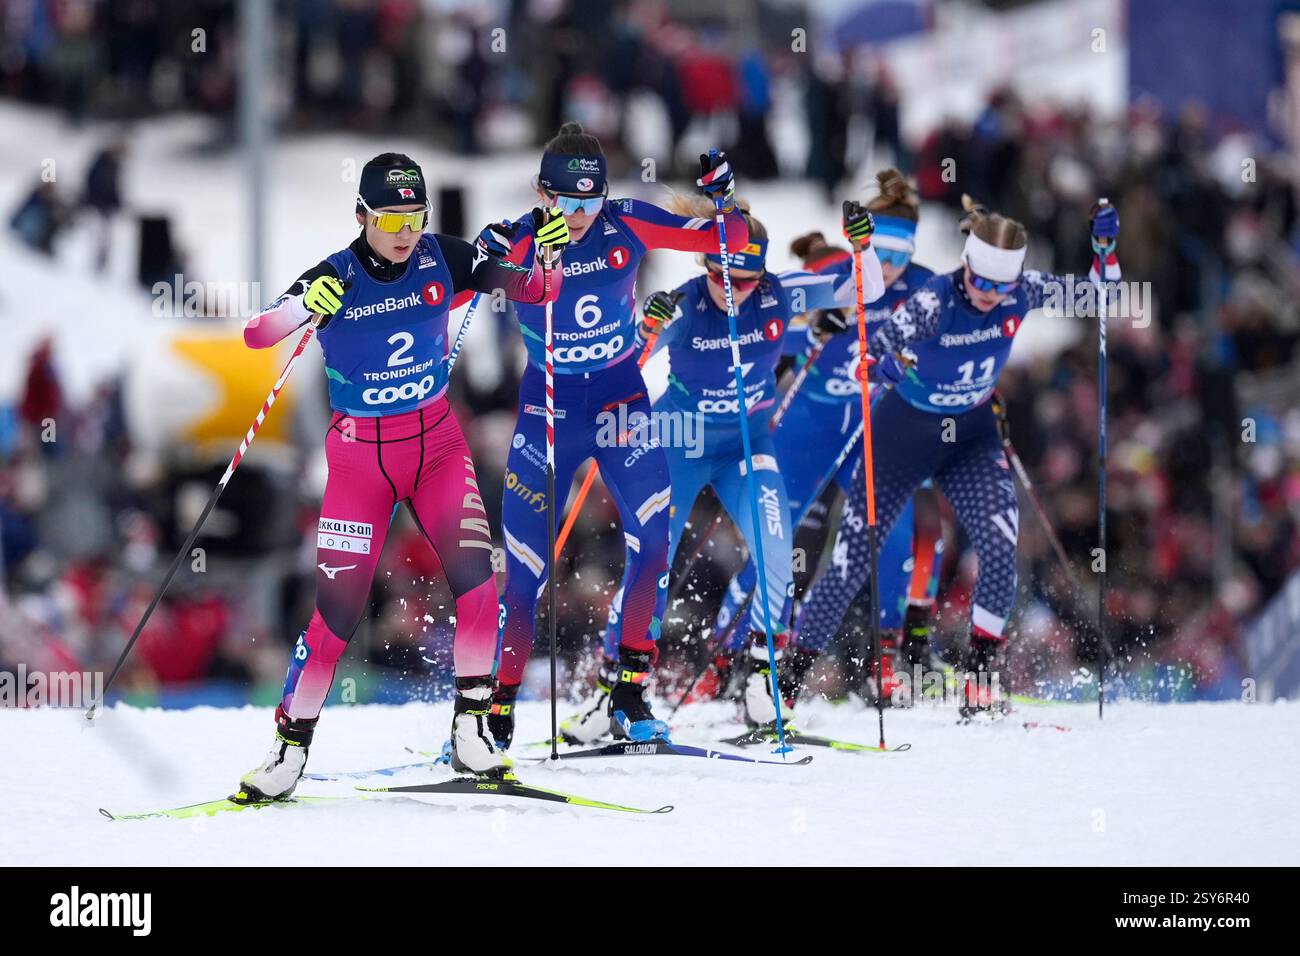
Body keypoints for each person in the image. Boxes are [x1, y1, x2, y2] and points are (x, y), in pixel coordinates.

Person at [234, 153, 569, 800]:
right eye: (389, 217)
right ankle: (288, 749)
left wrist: (548, 253)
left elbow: (537, 291)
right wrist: (304, 305)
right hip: (362, 462)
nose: (404, 230)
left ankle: (471, 733)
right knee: (336, 614)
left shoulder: (444, 257)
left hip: (437, 449)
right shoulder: (336, 275)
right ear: (361, 216)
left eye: (414, 216)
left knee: (478, 585)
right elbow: (256, 334)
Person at [794, 195, 1121, 717]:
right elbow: (877, 343)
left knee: (998, 543)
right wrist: (881, 366)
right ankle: (786, 680)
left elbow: (1103, 297)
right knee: (852, 561)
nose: (989, 294)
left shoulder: (1022, 290)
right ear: (966, 265)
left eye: (1000, 285)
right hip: (904, 435)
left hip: (969, 437)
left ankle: (980, 677)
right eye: (980, 281)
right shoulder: (935, 299)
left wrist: (1104, 250)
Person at [476, 121, 745, 748]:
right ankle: (498, 703)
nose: (576, 214)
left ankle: (627, 690)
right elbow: (476, 278)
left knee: (654, 543)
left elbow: (727, 241)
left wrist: (723, 200)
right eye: (564, 201)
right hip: (549, 409)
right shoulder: (521, 240)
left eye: (588, 201)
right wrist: (491, 251)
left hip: (621, 401)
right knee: (526, 570)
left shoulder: (625, 222)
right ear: (543, 194)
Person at [600, 197, 884, 727]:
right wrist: (644, 333)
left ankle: (761, 677)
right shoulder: (684, 306)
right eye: (723, 277)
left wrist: (862, 248)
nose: (734, 292)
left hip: (748, 447)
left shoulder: (779, 294)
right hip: (680, 442)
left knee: (777, 553)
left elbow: (864, 290)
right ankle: (615, 685)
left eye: (748, 280)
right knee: (651, 563)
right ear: (706, 264)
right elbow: (621, 365)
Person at [712, 170, 943, 706]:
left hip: (872, 430)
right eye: (879, 254)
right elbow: (765, 329)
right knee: (777, 538)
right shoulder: (838, 279)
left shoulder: (925, 289)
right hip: (809, 429)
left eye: (900, 256)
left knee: (894, 530)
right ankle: (728, 655)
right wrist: (809, 334)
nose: (889, 268)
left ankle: (887, 658)